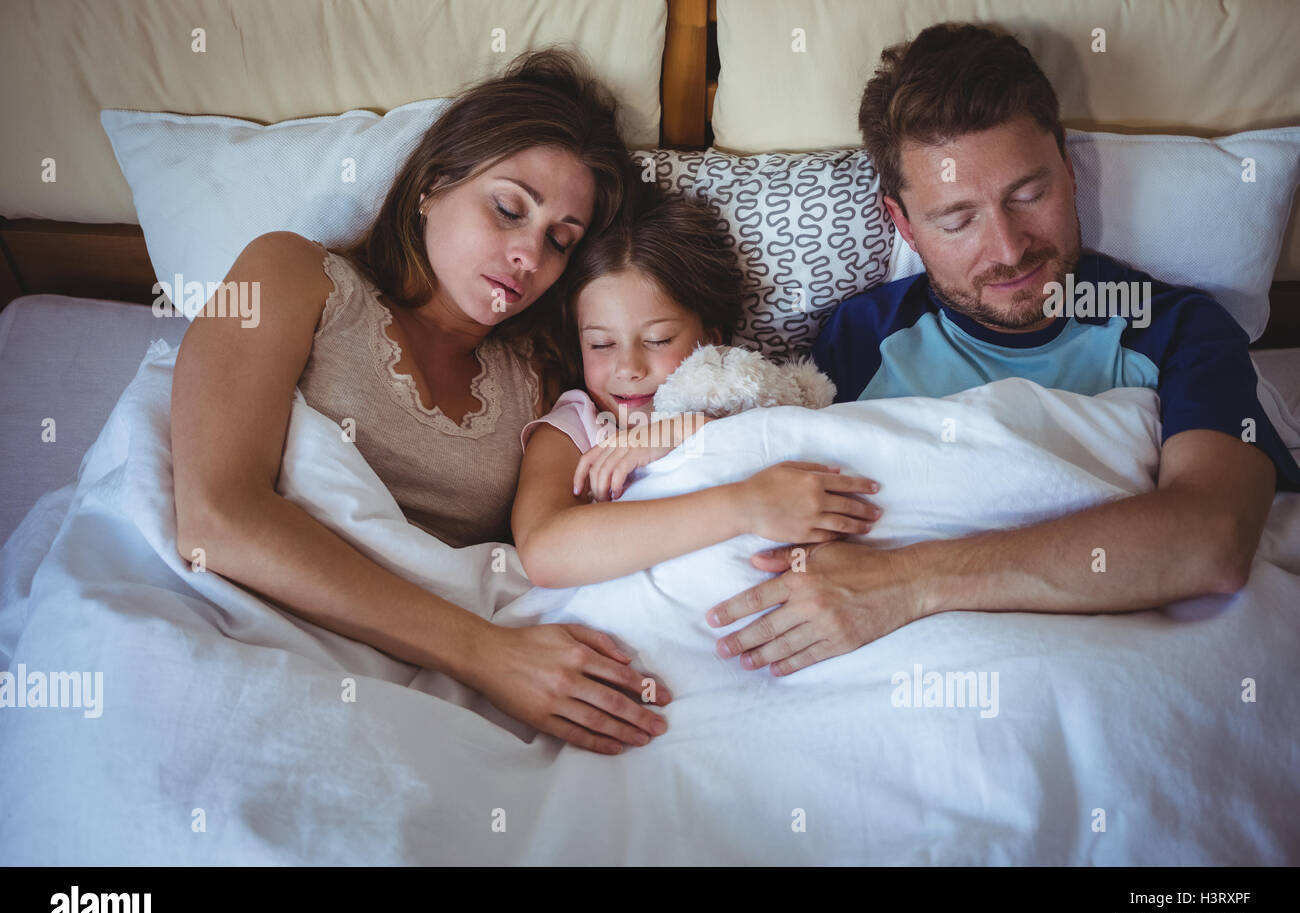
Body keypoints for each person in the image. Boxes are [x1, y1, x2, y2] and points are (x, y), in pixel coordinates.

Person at [705, 22, 1300, 675]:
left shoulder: (1176, 328)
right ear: (901, 222)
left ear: (1069, 172)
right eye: (957, 220)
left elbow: (1210, 540)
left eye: (1028, 194)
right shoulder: (861, 338)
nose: (1010, 248)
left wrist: (910, 582)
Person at [170, 49, 671, 756]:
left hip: (418, 677)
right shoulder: (292, 274)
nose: (530, 255)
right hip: (245, 620)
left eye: (560, 240)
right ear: (434, 183)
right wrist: (488, 655)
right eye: (508, 208)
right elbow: (215, 519)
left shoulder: (543, 375)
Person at [511, 185, 879, 589]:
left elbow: (794, 440)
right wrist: (744, 506)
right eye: (601, 344)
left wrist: (688, 427)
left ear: (712, 339)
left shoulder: (739, 394)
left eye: (658, 340)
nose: (628, 368)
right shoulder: (579, 429)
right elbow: (543, 552)